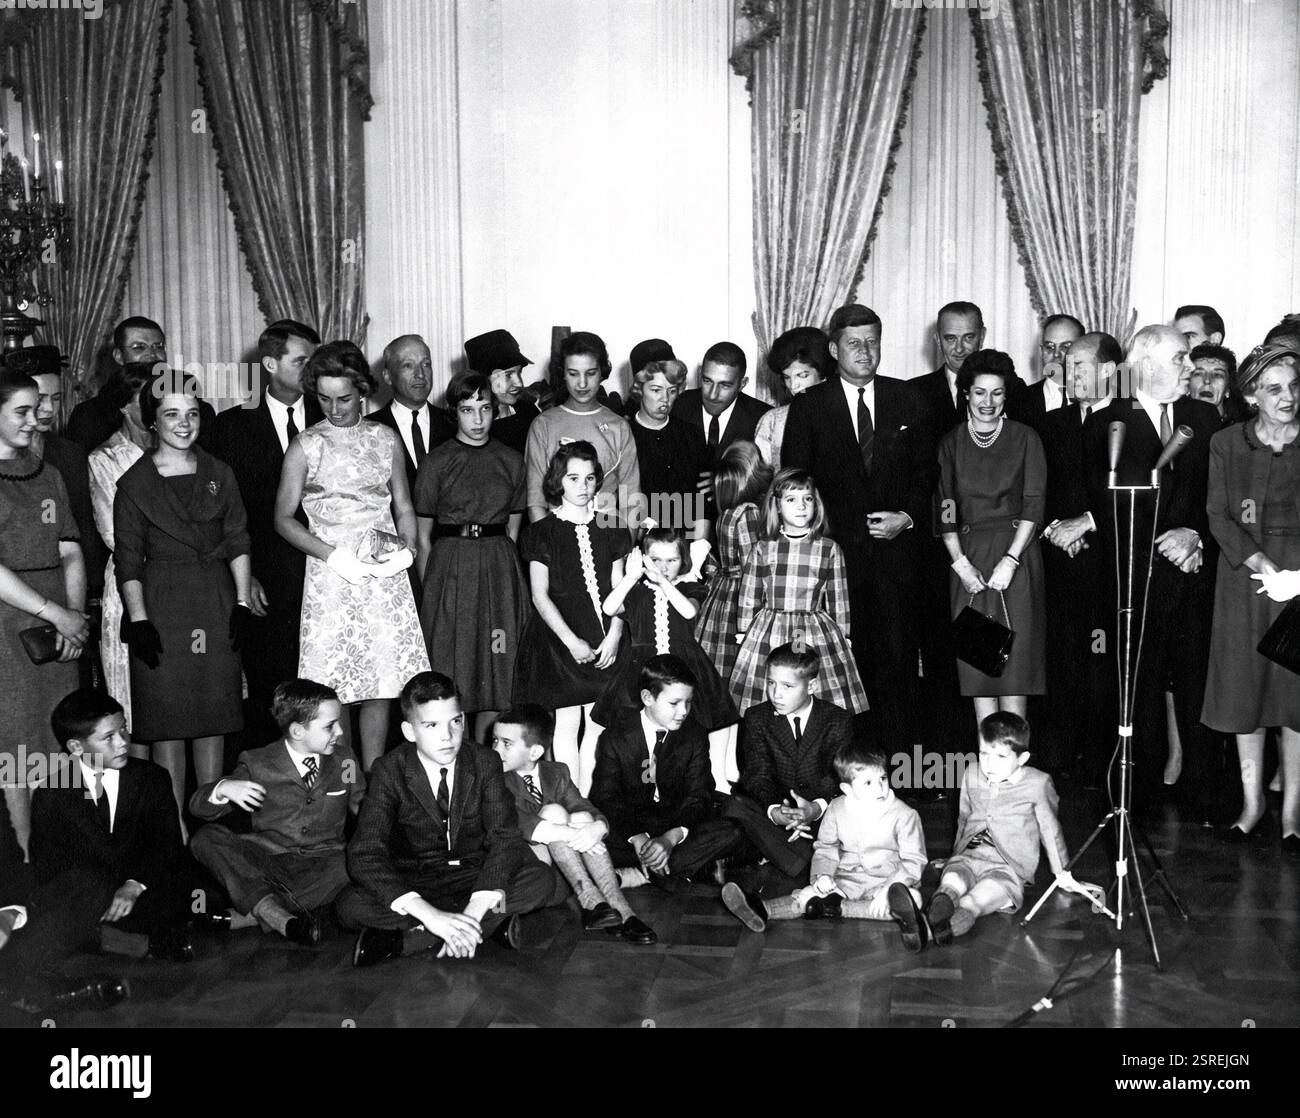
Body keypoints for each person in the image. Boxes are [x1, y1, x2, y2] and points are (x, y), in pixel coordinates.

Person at [1082, 325, 1220, 815]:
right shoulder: (1108, 422)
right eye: (1181, 358)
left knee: (1196, 681)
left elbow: (1217, 494)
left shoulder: (1205, 418)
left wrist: (1194, 534)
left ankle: (1202, 793)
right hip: (1133, 581)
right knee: (1136, 687)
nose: (1190, 368)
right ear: (1147, 363)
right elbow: (1101, 505)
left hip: (1193, 573)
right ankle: (1135, 798)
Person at [338, 672, 567, 967]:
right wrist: (427, 912)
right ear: (409, 731)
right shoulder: (389, 769)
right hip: (416, 879)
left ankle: (410, 940)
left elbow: (505, 839)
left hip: (472, 876)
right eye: (431, 725)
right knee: (348, 906)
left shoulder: (485, 762)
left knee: (539, 880)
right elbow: (364, 852)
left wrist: (474, 909)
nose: (447, 736)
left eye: (455, 721)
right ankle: (489, 925)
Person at [275, 341, 431, 772]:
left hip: (384, 573)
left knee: (382, 682)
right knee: (333, 684)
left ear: (362, 390)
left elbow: (403, 505)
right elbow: (283, 519)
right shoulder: (306, 445)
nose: (335, 408)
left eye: (344, 398)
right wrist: (331, 555)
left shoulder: (385, 439)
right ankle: (338, 784)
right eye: (324, 398)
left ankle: (374, 781)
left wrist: (408, 549)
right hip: (331, 576)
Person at [781, 304, 933, 749]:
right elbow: (796, 479)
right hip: (834, 560)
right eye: (853, 343)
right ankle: (844, 767)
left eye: (872, 342)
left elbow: (929, 474)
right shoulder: (810, 405)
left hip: (898, 558)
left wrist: (906, 518)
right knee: (839, 664)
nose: (865, 352)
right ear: (834, 349)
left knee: (899, 661)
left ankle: (898, 768)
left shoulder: (908, 398)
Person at [114, 368, 251, 815]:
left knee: (213, 716)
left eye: (191, 413)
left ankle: (210, 823)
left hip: (214, 600)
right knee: (168, 724)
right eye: (171, 414)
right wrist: (138, 621)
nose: (183, 423)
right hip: (162, 606)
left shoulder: (220, 472)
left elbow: (238, 540)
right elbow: (129, 560)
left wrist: (244, 602)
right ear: (153, 420)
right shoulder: (133, 484)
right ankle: (174, 832)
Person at [1201, 344, 1300, 853]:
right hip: (1244, 581)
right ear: (1251, 395)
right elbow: (1219, 515)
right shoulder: (1226, 443)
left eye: (1295, 386)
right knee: (1247, 693)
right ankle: (1252, 803)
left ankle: (1291, 811)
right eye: (1275, 388)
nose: (1289, 397)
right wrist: (1263, 565)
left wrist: (1297, 577)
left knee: (1293, 695)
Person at [211, 319, 323, 744]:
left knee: (323, 685)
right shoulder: (230, 428)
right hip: (265, 580)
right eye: (302, 361)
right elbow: (223, 512)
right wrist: (246, 575)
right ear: (271, 364)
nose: (311, 370)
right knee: (270, 688)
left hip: (325, 574)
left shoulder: (333, 418)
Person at [189, 679, 364, 945]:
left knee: (351, 864)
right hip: (268, 860)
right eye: (330, 726)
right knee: (205, 838)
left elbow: (360, 804)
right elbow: (197, 808)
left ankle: (263, 915)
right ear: (297, 731)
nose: (340, 731)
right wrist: (224, 788)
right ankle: (275, 916)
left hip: (324, 863)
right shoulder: (257, 762)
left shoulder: (345, 760)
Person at [27, 690, 192, 965]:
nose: (123, 743)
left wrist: (133, 885)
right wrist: (101, 894)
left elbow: (166, 844)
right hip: (90, 896)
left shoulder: (152, 778)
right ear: (76, 747)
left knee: (182, 888)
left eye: (123, 729)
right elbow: (49, 865)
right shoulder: (52, 792)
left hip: (140, 890)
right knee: (64, 897)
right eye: (108, 738)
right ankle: (122, 941)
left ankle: (98, 939)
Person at [721, 743, 929, 951]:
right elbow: (826, 848)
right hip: (848, 879)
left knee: (912, 900)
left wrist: (889, 888)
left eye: (882, 778)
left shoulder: (905, 815)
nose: (879, 788)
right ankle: (763, 909)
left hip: (889, 880)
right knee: (809, 894)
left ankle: (838, 908)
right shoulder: (837, 808)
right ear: (847, 789)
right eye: (867, 783)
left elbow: (914, 861)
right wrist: (822, 876)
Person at [0, 370, 89, 854]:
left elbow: (70, 547)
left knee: (55, 742)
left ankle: (54, 861)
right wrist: (56, 614)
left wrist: (74, 617)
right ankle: (23, 862)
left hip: (58, 627)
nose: (36, 421)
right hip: (9, 624)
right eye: (22, 411)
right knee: (15, 745)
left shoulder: (48, 474)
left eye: (38, 410)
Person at [414, 371, 528, 742]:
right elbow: (422, 534)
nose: (477, 420)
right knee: (453, 662)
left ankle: (487, 755)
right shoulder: (437, 462)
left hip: (497, 568)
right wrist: (431, 591)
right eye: (467, 410)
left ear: (496, 411)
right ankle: (451, 754)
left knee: (498, 658)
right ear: (454, 413)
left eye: (485, 409)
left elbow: (512, 527)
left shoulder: (511, 461)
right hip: (451, 568)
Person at [938, 349, 1047, 727]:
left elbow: (1034, 504)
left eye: (997, 393)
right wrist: (961, 564)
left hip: (1015, 558)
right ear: (965, 392)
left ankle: (1017, 770)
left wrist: (1012, 559)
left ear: (1007, 395)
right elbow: (946, 507)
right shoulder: (950, 442)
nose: (988, 402)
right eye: (979, 392)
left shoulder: (1025, 437)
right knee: (978, 671)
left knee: (1015, 669)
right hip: (968, 561)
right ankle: (987, 773)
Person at [513, 442, 628, 792]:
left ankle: (591, 799)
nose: (583, 486)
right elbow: (539, 594)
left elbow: (621, 591)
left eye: (590, 478)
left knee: (597, 724)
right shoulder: (541, 532)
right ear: (558, 481)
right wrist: (571, 641)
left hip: (603, 634)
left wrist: (615, 635)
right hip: (559, 638)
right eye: (573, 478)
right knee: (565, 722)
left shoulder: (613, 527)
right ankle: (570, 798)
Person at [492, 706, 657, 944]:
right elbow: (518, 820)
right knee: (554, 812)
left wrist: (597, 827)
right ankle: (595, 898)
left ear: (535, 751)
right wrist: (570, 833)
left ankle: (617, 908)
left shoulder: (557, 772)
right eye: (494, 740)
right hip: (527, 873)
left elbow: (583, 806)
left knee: (581, 818)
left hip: (564, 876)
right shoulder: (494, 777)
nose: (496, 749)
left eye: (506, 743)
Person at [1037, 333, 1121, 779]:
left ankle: (1099, 764)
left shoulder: (1130, 422)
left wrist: (1086, 523)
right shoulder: (1052, 425)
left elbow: (1135, 498)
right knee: (1060, 660)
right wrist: (1055, 528)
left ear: (1109, 370)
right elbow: (1036, 489)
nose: (1070, 376)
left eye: (1081, 366)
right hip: (1057, 562)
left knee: (1101, 663)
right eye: (1067, 366)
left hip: (1106, 566)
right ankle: (1057, 758)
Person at [594, 526, 737, 786]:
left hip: (687, 665)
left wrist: (663, 582)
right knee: (642, 727)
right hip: (642, 668)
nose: (663, 566)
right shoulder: (637, 591)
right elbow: (609, 607)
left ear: (683, 561)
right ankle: (647, 783)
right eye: (656, 560)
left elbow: (688, 612)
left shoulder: (690, 587)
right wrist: (630, 577)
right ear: (644, 559)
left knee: (701, 720)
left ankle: (711, 779)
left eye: (672, 560)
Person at [925, 713, 1082, 943]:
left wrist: (1062, 872)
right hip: (970, 855)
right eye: (984, 754)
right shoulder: (971, 772)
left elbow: (1050, 828)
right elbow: (964, 817)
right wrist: (954, 856)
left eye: (1000, 756)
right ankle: (941, 901)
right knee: (953, 880)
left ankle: (930, 932)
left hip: (1008, 866)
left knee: (975, 900)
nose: (989, 764)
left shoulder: (1038, 783)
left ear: (1022, 757)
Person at [589, 655, 742, 884]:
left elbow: (699, 794)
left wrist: (671, 838)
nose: (683, 711)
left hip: (676, 822)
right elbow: (606, 797)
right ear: (647, 698)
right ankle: (678, 868)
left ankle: (642, 873)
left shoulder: (694, 734)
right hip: (631, 828)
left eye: (688, 702)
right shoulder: (615, 736)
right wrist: (637, 837)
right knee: (591, 837)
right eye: (674, 703)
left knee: (734, 829)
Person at [729, 468, 869, 717]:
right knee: (772, 690)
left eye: (808, 499)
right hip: (770, 630)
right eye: (791, 500)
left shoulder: (829, 549)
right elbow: (749, 593)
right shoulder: (764, 548)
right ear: (777, 506)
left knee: (811, 690)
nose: (801, 506)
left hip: (814, 630)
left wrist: (844, 634)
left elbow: (839, 598)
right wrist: (743, 631)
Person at [721, 644, 854, 890]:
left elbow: (837, 780)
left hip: (821, 815)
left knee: (851, 816)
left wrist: (814, 809)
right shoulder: (757, 717)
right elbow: (757, 775)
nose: (776, 694)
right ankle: (801, 858)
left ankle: (779, 854)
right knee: (734, 806)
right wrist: (776, 811)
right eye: (771, 683)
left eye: (787, 686)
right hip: (775, 813)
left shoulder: (838, 720)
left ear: (811, 686)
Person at [87, 362, 154, 730]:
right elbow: (116, 533)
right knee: (134, 702)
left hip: (185, 582)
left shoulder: (181, 451)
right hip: (133, 580)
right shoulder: (104, 459)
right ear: (124, 405)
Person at [524, 331, 640, 528]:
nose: (582, 383)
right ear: (563, 373)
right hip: (557, 538)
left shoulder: (619, 427)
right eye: (573, 373)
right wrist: (550, 548)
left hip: (607, 536)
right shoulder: (543, 425)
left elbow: (631, 502)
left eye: (591, 373)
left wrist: (623, 549)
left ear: (602, 371)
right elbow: (535, 502)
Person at [66, 316, 218, 455]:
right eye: (139, 347)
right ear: (118, 356)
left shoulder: (197, 408)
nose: (152, 354)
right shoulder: (91, 415)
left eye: (158, 346)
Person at [695, 441, 771, 692]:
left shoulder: (726, 514)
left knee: (718, 663)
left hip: (722, 593)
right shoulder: (748, 512)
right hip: (741, 596)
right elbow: (752, 565)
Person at [626, 358, 709, 539]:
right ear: (639, 389)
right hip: (640, 542)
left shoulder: (691, 434)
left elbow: (703, 501)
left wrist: (698, 549)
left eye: (672, 391)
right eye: (656, 390)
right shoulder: (624, 434)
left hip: (686, 541)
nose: (665, 399)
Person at [367, 333, 455, 497]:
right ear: (387, 376)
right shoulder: (369, 429)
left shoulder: (454, 423)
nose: (420, 374)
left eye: (426, 364)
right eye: (408, 365)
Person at [671, 341, 770, 464]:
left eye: (725, 385)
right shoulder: (676, 405)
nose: (712, 395)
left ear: (742, 384)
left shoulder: (763, 418)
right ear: (700, 373)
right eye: (707, 381)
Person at [752, 326, 833, 469]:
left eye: (802, 375)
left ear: (823, 374)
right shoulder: (772, 421)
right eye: (787, 377)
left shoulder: (845, 415)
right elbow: (760, 479)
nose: (793, 385)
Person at [912, 301, 987, 437]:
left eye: (968, 338)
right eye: (951, 339)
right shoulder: (913, 392)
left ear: (982, 337)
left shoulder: (1011, 389)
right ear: (938, 341)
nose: (959, 349)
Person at [464, 328, 538, 454]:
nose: (519, 383)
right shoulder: (473, 427)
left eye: (519, 372)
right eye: (508, 375)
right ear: (483, 379)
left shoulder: (529, 412)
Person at [1014, 313, 1085, 430]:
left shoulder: (1096, 398)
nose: (1056, 354)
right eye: (1049, 347)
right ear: (1041, 351)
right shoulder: (1020, 401)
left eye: (1066, 347)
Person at [1189, 344, 1250, 429]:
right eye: (1198, 374)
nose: (1207, 381)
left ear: (1228, 387)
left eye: (1217, 375)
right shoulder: (1173, 422)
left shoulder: (1245, 428)